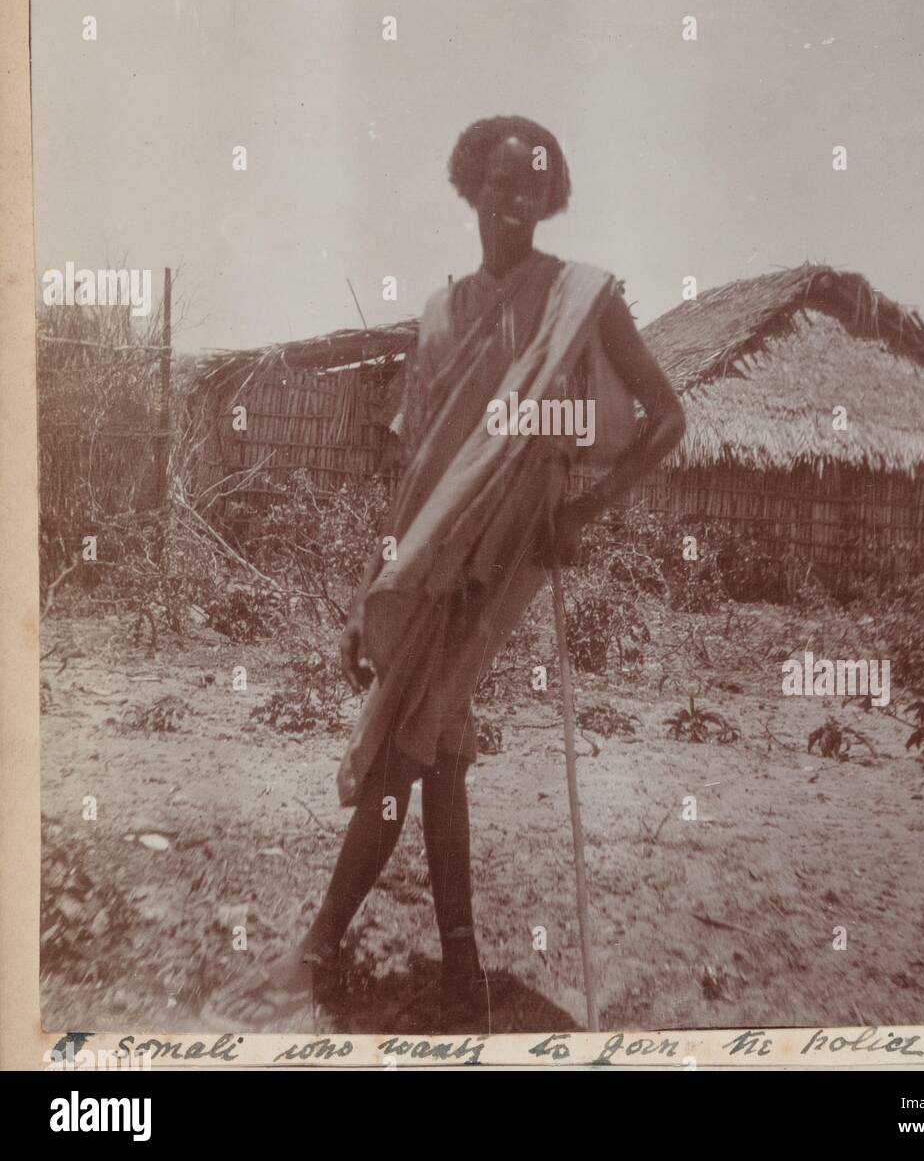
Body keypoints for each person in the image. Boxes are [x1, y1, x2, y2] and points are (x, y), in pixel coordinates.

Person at [212, 116, 685, 1030]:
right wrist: (368, 594)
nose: (514, 201)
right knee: (436, 743)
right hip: (426, 556)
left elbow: (665, 418)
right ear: (469, 186)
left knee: (404, 736)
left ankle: (317, 948)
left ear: (552, 199)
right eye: (498, 182)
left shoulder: (581, 298)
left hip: (505, 556)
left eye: (533, 186)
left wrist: (581, 512)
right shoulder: (438, 315)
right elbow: (417, 476)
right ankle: (462, 965)